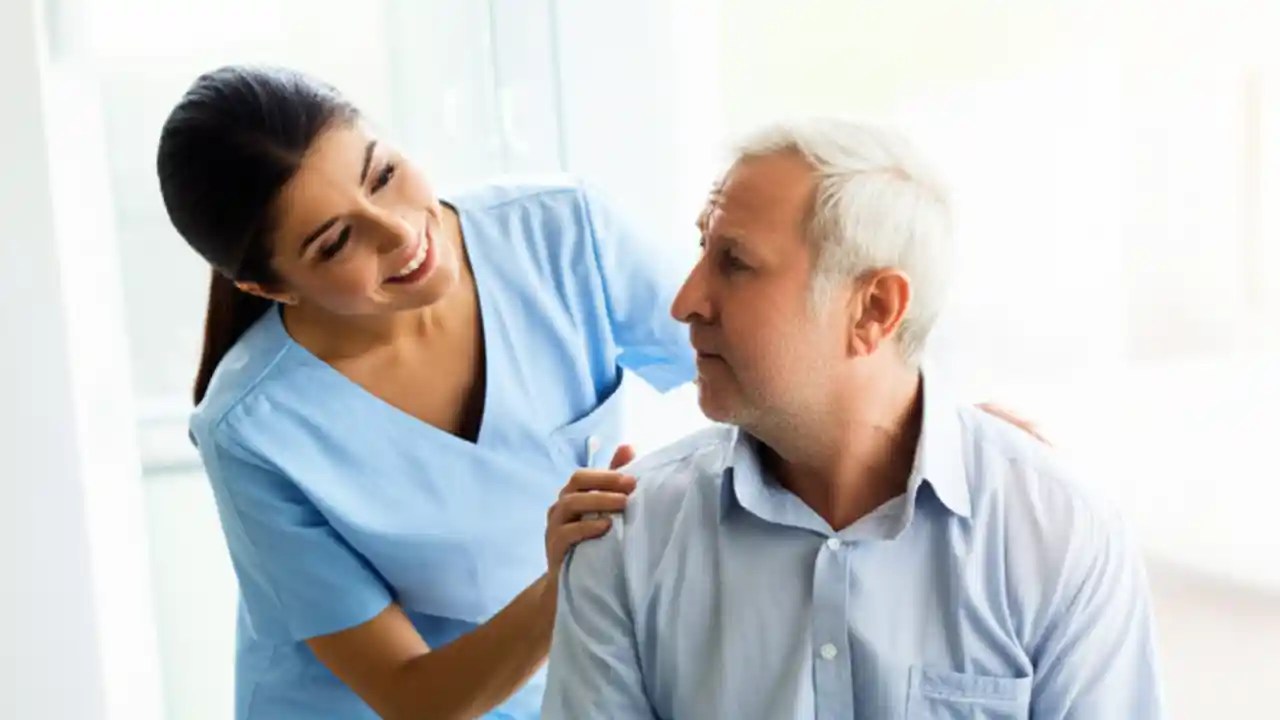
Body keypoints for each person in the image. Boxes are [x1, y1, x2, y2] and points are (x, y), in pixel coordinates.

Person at [542, 118, 1165, 719]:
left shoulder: (1056, 536)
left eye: (735, 263)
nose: (685, 302)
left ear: (874, 309)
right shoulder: (625, 540)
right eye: (704, 249)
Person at [160, 65, 691, 719]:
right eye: (336, 242)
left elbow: (755, 361)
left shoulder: (563, 234)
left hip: (548, 682)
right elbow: (412, 697)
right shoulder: (250, 429)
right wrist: (572, 578)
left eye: (381, 174)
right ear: (272, 289)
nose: (399, 231)